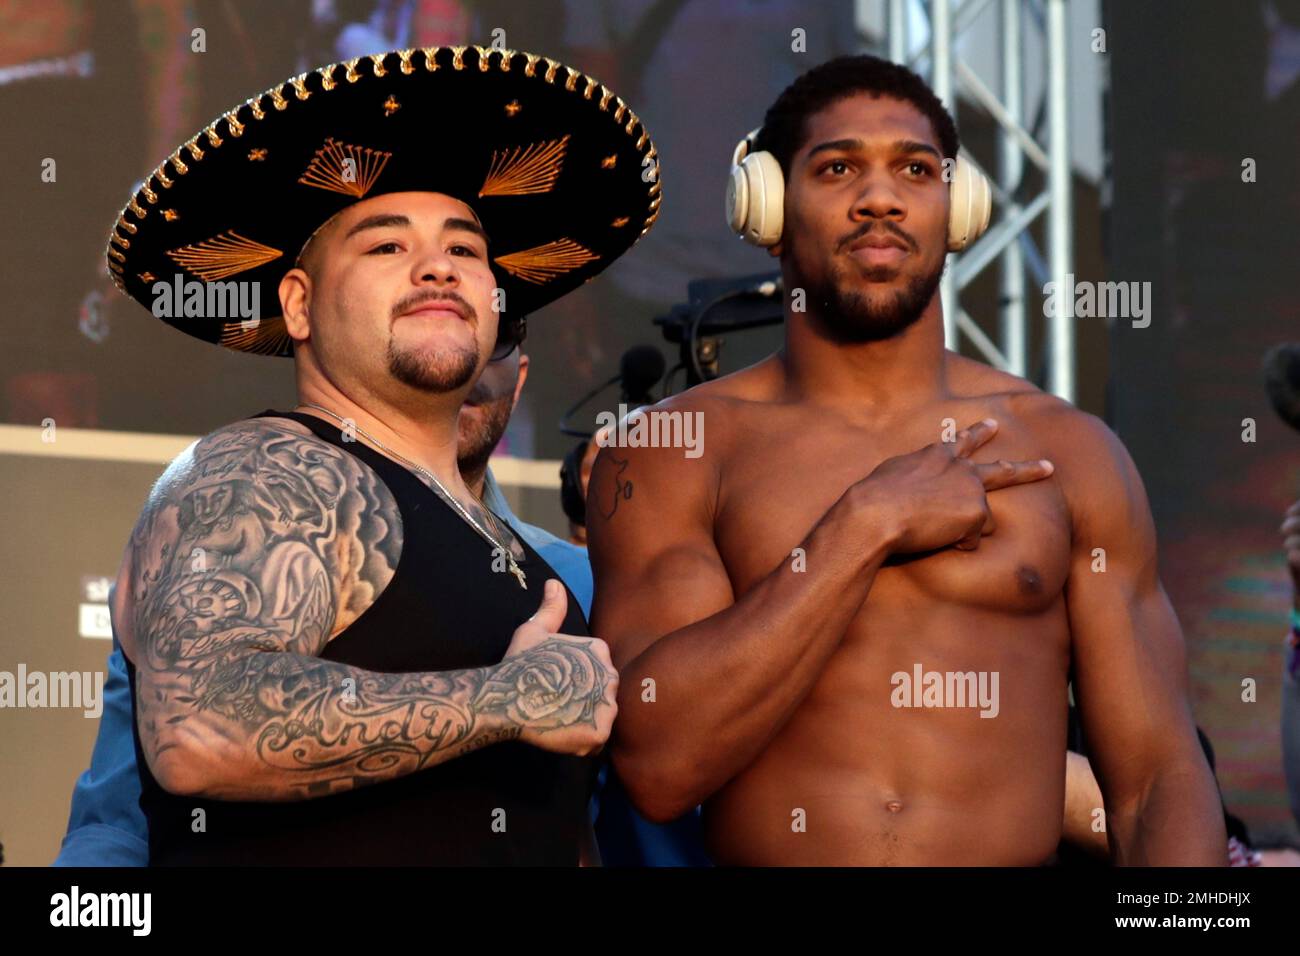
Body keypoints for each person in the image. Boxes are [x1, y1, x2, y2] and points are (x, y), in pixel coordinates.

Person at [587, 54, 1226, 865]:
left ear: (957, 211)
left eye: (915, 170)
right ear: (769, 205)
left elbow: (1158, 780)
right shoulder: (675, 451)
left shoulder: (1070, 450)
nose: (880, 197)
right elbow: (658, 765)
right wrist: (867, 523)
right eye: (838, 167)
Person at [97, 44, 659, 865]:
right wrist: (506, 699)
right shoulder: (264, 468)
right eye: (387, 246)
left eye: (466, 249)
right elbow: (200, 726)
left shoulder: (503, 545)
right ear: (298, 304)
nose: (439, 265)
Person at [53, 339, 596, 864]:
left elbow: (576, 820)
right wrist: (505, 698)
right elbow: (139, 795)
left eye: (496, 332)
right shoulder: (262, 491)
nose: (462, 358)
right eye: (389, 251)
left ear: (519, 375)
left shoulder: (573, 578)